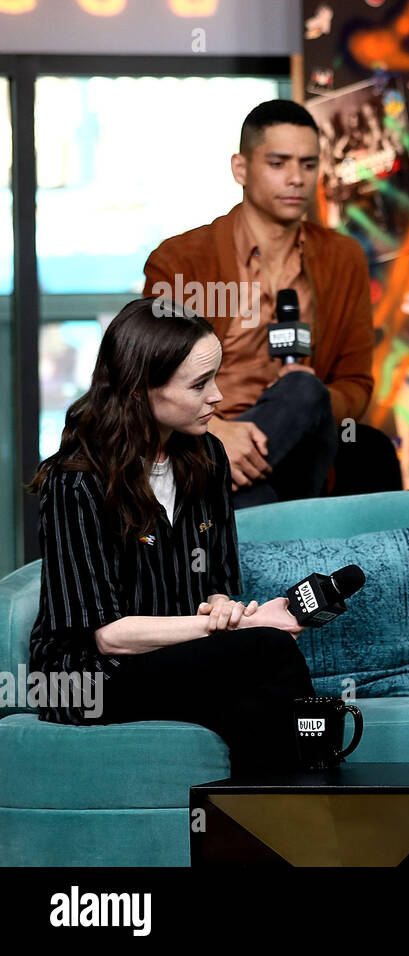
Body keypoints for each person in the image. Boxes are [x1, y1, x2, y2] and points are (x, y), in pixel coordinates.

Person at [28, 298, 314, 775]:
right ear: (140, 391)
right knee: (266, 652)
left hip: (172, 654)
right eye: (200, 384)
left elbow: (214, 585)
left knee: (249, 706)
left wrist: (222, 606)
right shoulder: (74, 482)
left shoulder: (208, 457)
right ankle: (301, 816)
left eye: (215, 378)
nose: (218, 397)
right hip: (83, 677)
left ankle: (258, 831)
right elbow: (109, 637)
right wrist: (241, 627)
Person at [144, 99, 393, 508]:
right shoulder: (181, 260)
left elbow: (355, 385)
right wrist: (217, 430)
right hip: (204, 439)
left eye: (308, 165)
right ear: (240, 169)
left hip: (305, 445)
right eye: (278, 164)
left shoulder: (342, 257)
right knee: (258, 497)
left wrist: (305, 407)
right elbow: (151, 380)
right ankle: (226, 482)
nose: (296, 178)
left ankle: (210, 492)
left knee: (302, 388)